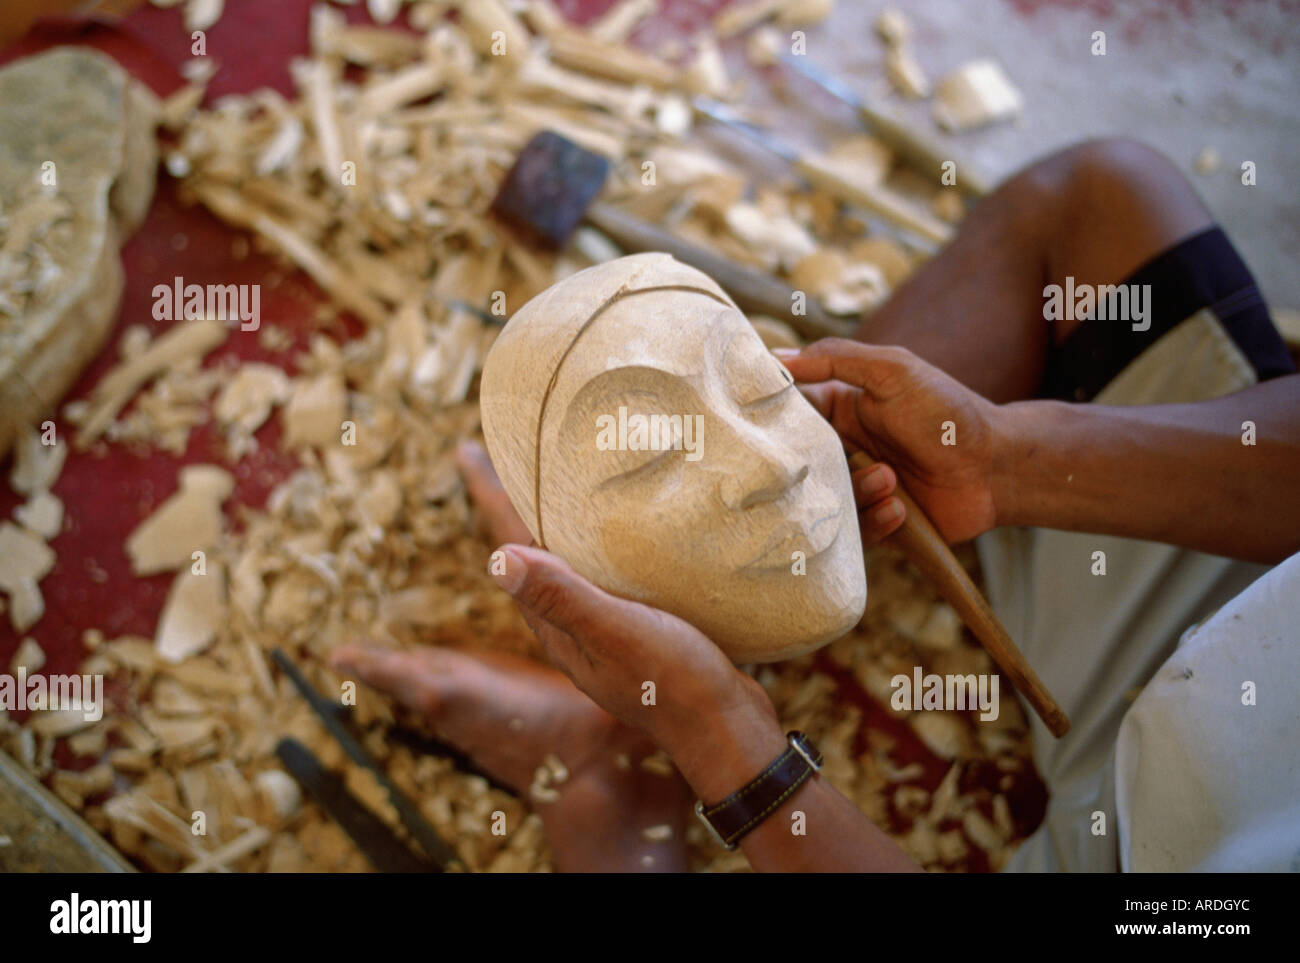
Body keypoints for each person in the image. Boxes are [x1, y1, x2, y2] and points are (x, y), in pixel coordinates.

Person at [331, 138, 1300, 873]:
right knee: (1101, 195)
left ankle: (614, 770)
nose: (774, 463)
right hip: (1256, 638)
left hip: (1175, 860)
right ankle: (651, 680)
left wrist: (718, 733)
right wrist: (1001, 462)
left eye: (754, 391)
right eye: (769, 381)